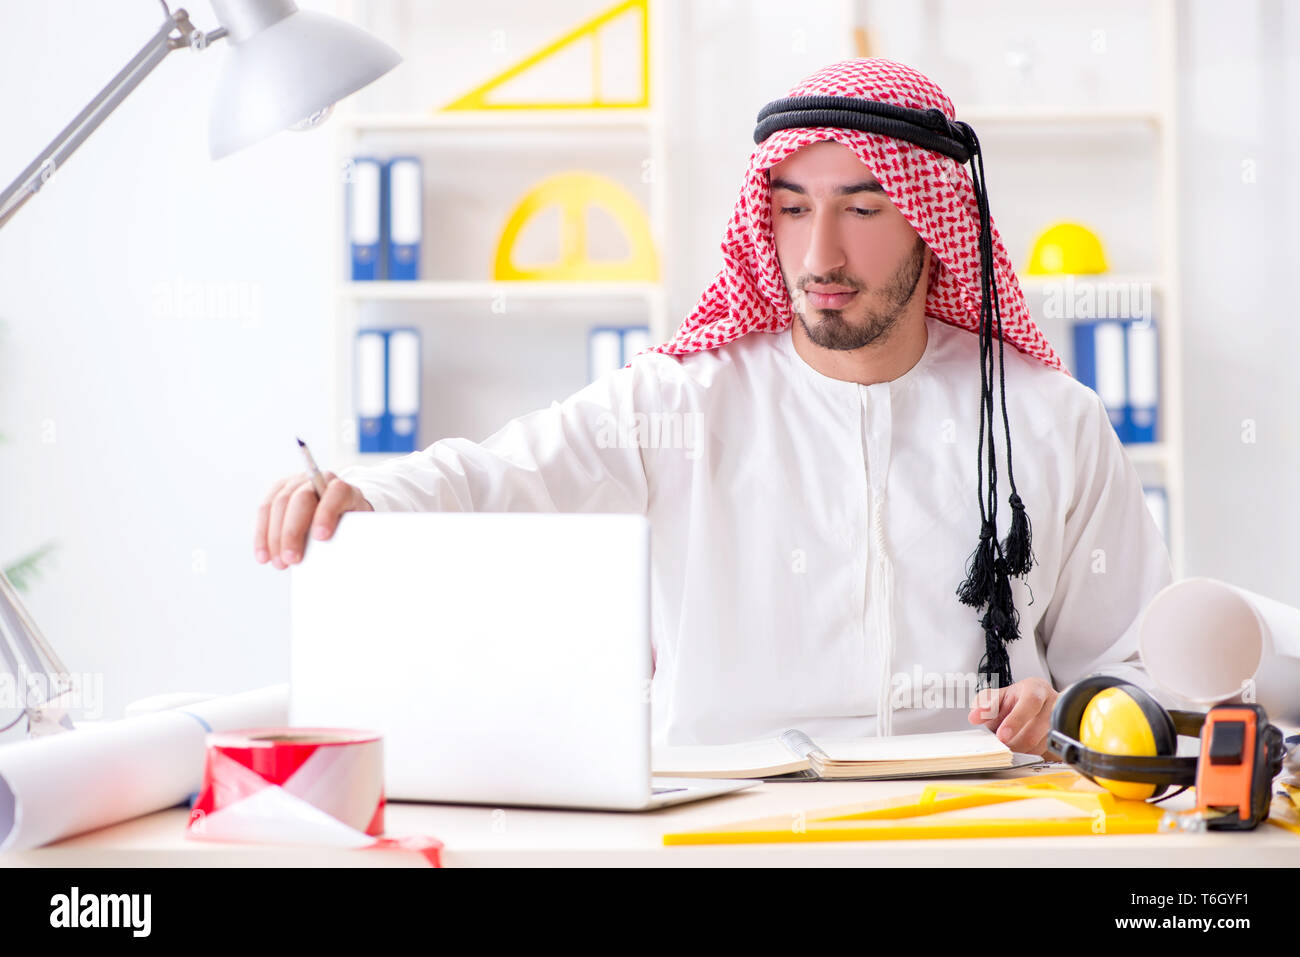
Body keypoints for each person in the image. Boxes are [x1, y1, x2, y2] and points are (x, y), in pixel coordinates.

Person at [254, 58, 1173, 754]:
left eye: (861, 210)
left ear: (935, 225)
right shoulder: (680, 401)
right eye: (789, 208)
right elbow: (503, 472)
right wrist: (368, 497)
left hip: (981, 835)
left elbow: (1134, 665)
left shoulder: (1054, 419)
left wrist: (1060, 706)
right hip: (722, 835)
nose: (819, 255)